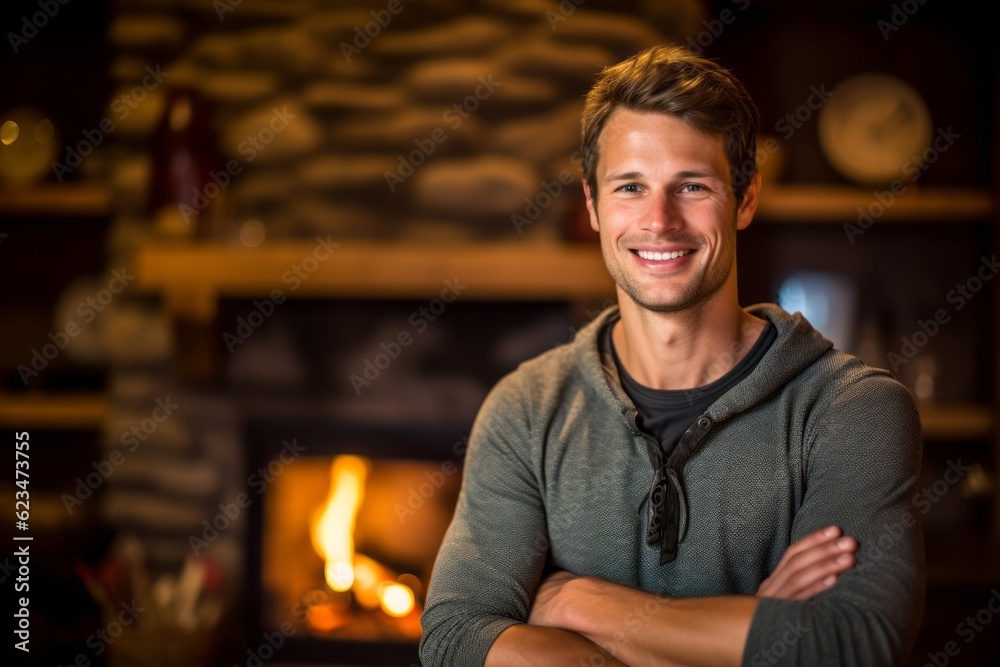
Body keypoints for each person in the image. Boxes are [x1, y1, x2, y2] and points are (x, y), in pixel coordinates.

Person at [419, 44, 924, 667]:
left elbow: (850, 646)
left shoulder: (852, 411)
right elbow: (453, 640)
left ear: (745, 199)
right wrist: (747, 638)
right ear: (593, 206)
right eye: (630, 187)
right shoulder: (526, 409)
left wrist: (579, 604)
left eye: (692, 185)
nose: (659, 221)